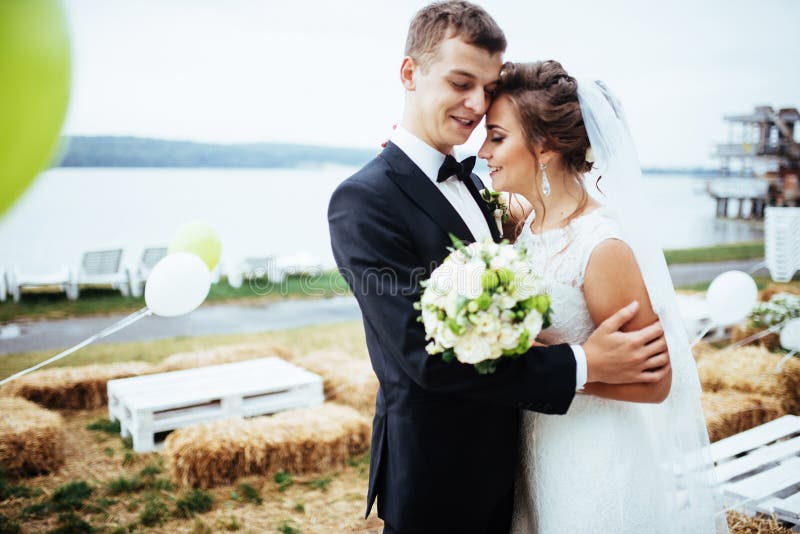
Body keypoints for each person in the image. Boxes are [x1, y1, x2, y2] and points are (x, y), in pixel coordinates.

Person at [328, 3, 670, 533]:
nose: (474, 105)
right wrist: (582, 364)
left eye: (486, 90)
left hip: (522, 465)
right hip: (441, 479)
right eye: (461, 82)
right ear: (409, 73)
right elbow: (424, 356)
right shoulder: (364, 201)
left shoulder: (482, 190)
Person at [478, 60, 726, 533]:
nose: (483, 150)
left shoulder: (602, 247)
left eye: (497, 136)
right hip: (535, 445)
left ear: (545, 146)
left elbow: (656, 383)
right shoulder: (525, 223)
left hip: (590, 457)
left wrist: (568, 367)